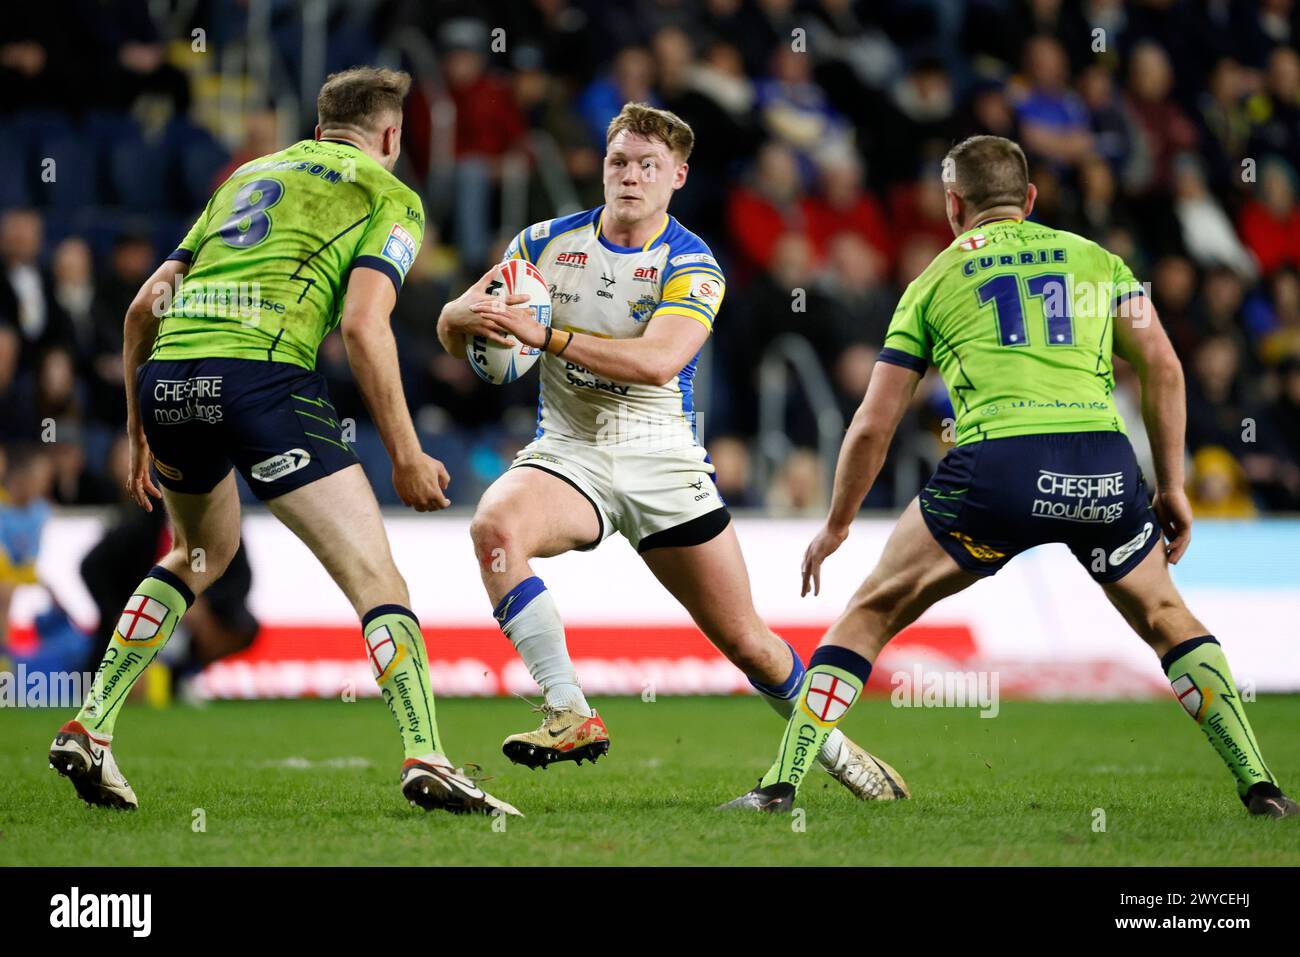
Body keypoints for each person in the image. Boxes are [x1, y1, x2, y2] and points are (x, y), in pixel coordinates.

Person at [722, 135, 1296, 819]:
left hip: (998, 469)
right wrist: (1170, 484)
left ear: (952, 204)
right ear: (1028, 200)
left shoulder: (932, 279)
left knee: (869, 614)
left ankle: (780, 786)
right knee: (1167, 616)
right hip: (1101, 468)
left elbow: (875, 422)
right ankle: (1262, 786)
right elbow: (1165, 368)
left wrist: (839, 521)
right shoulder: (1099, 260)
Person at [48, 67, 519, 817]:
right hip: (262, 378)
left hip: (171, 381)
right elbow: (365, 326)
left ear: (321, 122)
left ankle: (92, 725)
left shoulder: (247, 176)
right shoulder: (388, 193)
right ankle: (427, 754)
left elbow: (143, 308)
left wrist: (139, 428)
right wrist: (403, 450)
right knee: (377, 579)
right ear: (391, 135)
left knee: (197, 552)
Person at [436, 102, 907, 802]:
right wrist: (456, 320)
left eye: (647, 165)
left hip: (661, 460)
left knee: (748, 641)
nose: (630, 176)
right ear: (602, 165)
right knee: (494, 527)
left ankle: (835, 750)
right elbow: (462, 328)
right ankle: (568, 709)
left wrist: (545, 340)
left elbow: (659, 362)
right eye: (618, 161)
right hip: (570, 451)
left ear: (678, 175)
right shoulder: (538, 243)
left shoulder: (693, 263)